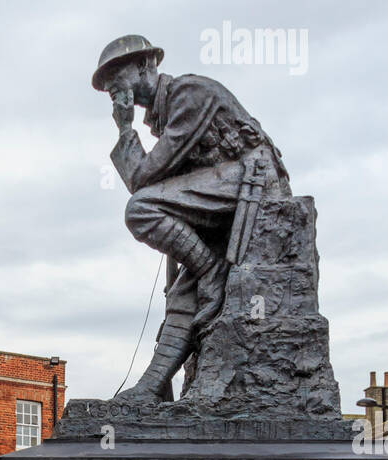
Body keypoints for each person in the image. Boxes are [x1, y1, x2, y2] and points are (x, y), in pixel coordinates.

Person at [93, 36, 290, 403]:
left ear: (145, 65)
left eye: (115, 77)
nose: (112, 90)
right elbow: (154, 180)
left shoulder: (190, 94)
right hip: (222, 199)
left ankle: (212, 271)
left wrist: (124, 129)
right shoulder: (164, 118)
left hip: (253, 185)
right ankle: (151, 387)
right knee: (182, 291)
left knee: (140, 210)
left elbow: (143, 182)